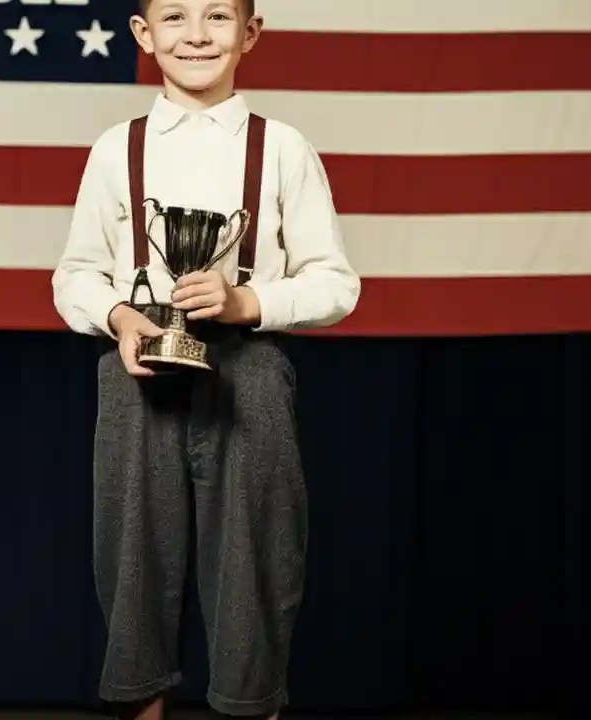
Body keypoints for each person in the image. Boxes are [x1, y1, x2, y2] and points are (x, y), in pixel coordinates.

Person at [51, 0, 359, 717]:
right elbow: (75, 275)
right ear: (143, 35)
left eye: (218, 17)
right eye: (176, 17)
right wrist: (120, 316)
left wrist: (248, 303)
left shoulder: (280, 147)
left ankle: (252, 703)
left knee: (254, 562)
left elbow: (336, 282)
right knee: (132, 567)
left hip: (246, 373)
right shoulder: (115, 148)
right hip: (137, 373)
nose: (195, 35)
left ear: (250, 33)